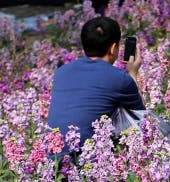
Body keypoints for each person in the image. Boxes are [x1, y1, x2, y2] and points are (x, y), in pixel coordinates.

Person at [46, 16, 145, 156]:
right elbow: (139, 116)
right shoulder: (120, 78)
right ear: (113, 48)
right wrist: (133, 73)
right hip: (86, 163)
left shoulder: (61, 72)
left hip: (51, 162)